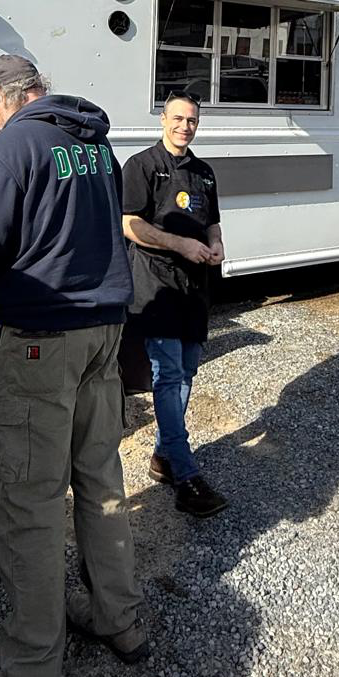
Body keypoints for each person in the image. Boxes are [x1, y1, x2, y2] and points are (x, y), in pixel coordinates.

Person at [0, 53, 145, 677]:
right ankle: (119, 620)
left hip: (39, 344)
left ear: (4, 99)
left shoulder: (14, 148)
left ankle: (31, 665)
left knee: (28, 504)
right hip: (103, 335)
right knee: (100, 484)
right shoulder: (93, 143)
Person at [121, 91, 227, 518]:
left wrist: (216, 244)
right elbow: (130, 224)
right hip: (156, 286)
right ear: (162, 119)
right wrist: (179, 244)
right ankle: (186, 475)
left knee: (186, 372)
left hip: (194, 287)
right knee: (167, 376)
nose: (185, 127)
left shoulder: (203, 173)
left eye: (193, 121)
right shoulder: (141, 166)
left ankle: (163, 456)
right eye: (178, 119)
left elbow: (213, 220)